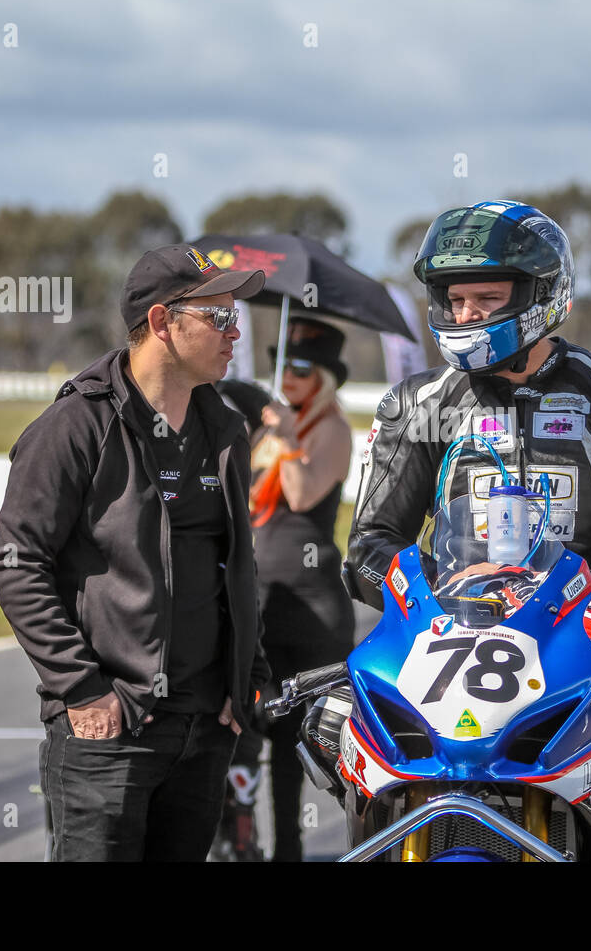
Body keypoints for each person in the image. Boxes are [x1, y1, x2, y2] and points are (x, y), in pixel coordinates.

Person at [345, 200, 591, 861]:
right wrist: (419, 596)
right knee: (330, 731)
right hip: (444, 625)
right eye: (455, 300)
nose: (466, 315)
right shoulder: (417, 403)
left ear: (543, 293)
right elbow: (370, 541)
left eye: (486, 297)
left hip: (583, 618)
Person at [0, 244, 271, 861]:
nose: (235, 333)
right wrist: (82, 690)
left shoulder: (225, 427)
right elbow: (17, 565)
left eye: (236, 317)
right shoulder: (75, 425)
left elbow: (237, 564)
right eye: (219, 317)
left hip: (203, 728)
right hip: (110, 729)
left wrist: (244, 680)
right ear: (163, 324)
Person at [215, 316, 356, 862]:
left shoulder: (332, 429)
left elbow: (299, 496)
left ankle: (292, 850)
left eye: (303, 368)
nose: (291, 377)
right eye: (286, 365)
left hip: (313, 606)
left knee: (302, 739)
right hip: (262, 599)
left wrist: (288, 438)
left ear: (323, 378)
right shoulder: (269, 432)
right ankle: (241, 841)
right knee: (248, 725)